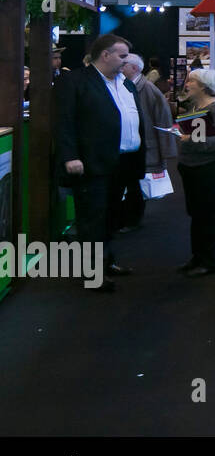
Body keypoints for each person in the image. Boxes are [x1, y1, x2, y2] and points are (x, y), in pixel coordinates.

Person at [53, 34, 147, 291]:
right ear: (105, 55)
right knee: (91, 219)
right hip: (91, 163)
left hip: (123, 161)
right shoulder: (74, 82)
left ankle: (107, 262)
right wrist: (70, 156)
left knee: (111, 217)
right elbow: (64, 123)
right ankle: (90, 274)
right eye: (122, 56)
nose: (126, 61)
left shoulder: (125, 84)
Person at [175, 68, 215, 276]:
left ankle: (211, 261)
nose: (186, 84)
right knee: (197, 214)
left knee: (208, 215)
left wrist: (192, 140)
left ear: (203, 85)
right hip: (191, 167)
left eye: (191, 81)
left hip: (208, 168)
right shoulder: (194, 105)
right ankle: (198, 256)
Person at [117, 53, 177, 233]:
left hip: (144, 147)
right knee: (129, 183)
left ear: (135, 68)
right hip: (129, 146)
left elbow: (163, 120)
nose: (121, 66)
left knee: (137, 185)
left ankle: (132, 220)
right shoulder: (124, 86)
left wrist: (165, 151)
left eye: (124, 63)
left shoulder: (149, 89)